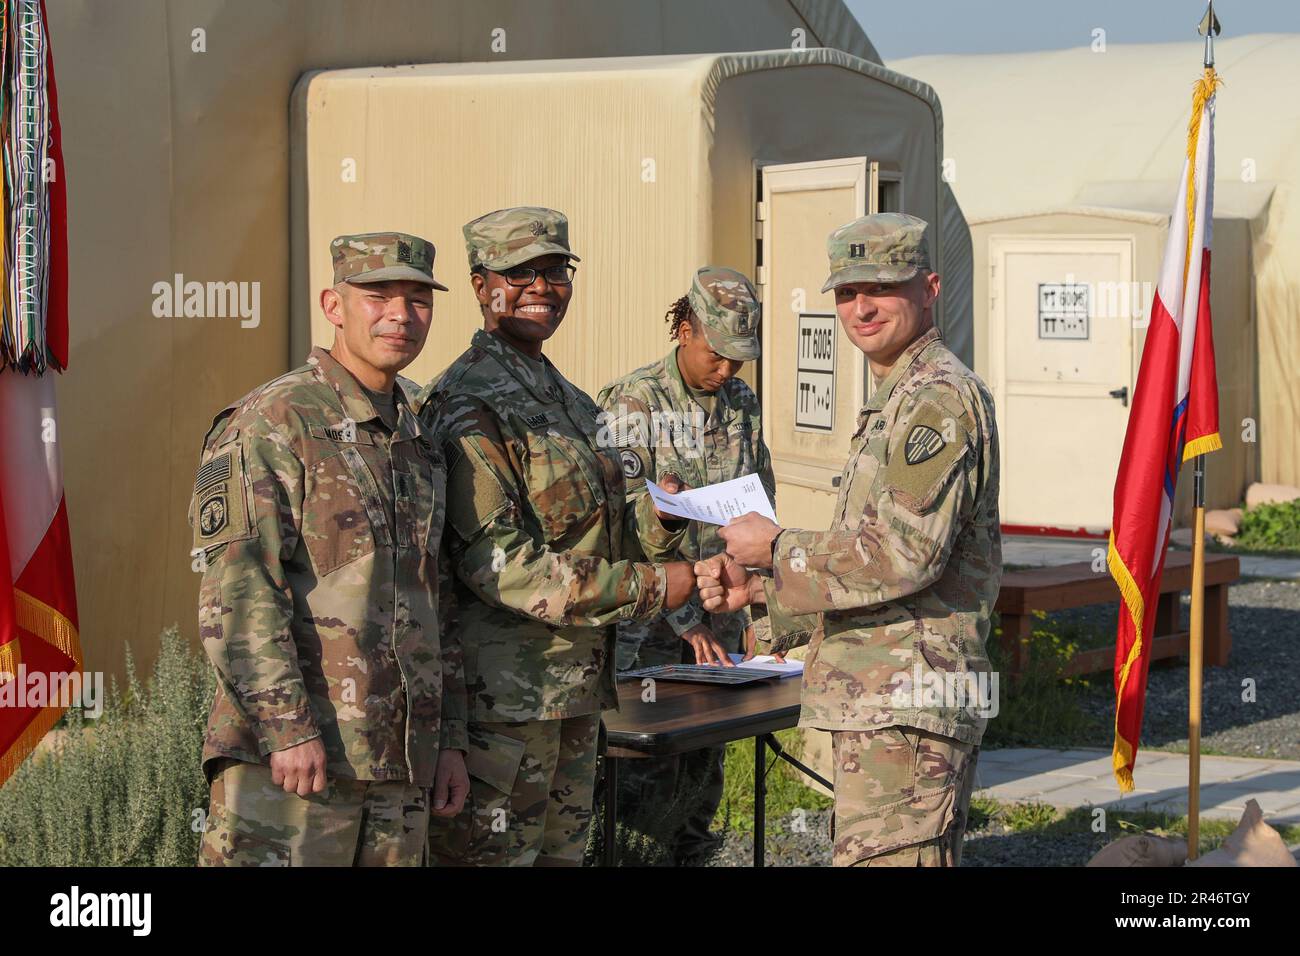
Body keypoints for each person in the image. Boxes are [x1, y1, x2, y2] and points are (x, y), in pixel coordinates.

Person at [695, 213, 1002, 867]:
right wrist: (760, 589)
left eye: (882, 288)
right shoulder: (898, 397)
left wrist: (777, 548)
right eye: (846, 291)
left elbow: (902, 554)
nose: (861, 307)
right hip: (883, 704)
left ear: (929, 287)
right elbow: (872, 556)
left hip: (907, 707)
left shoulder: (935, 401)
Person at [420, 206, 697, 867]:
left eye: (555, 271)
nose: (541, 287)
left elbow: (608, 531)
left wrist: (662, 522)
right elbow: (501, 566)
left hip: (573, 693)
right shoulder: (465, 403)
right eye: (521, 273)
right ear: (481, 283)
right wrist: (655, 585)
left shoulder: (573, 402)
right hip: (502, 709)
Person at [190, 232, 470, 866]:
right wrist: (286, 727)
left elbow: (437, 600)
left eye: (419, 298)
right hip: (296, 763)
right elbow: (237, 592)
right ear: (333, 304)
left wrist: (446, 738)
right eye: (378, 295)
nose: (401, 314)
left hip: (399, 760)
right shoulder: (274, 420)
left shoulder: (418, 433)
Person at [596, 266, 775, 865]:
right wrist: (685, 618)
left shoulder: (741, 402)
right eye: (717, 355)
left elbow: (759, 501)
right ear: (684, 328)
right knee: (638, 794)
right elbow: (616, 529)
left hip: (718, 628)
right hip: (650, 633)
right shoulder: (633, 402)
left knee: (702, 779)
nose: (726, 371)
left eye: (739, 361)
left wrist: (757, 600)